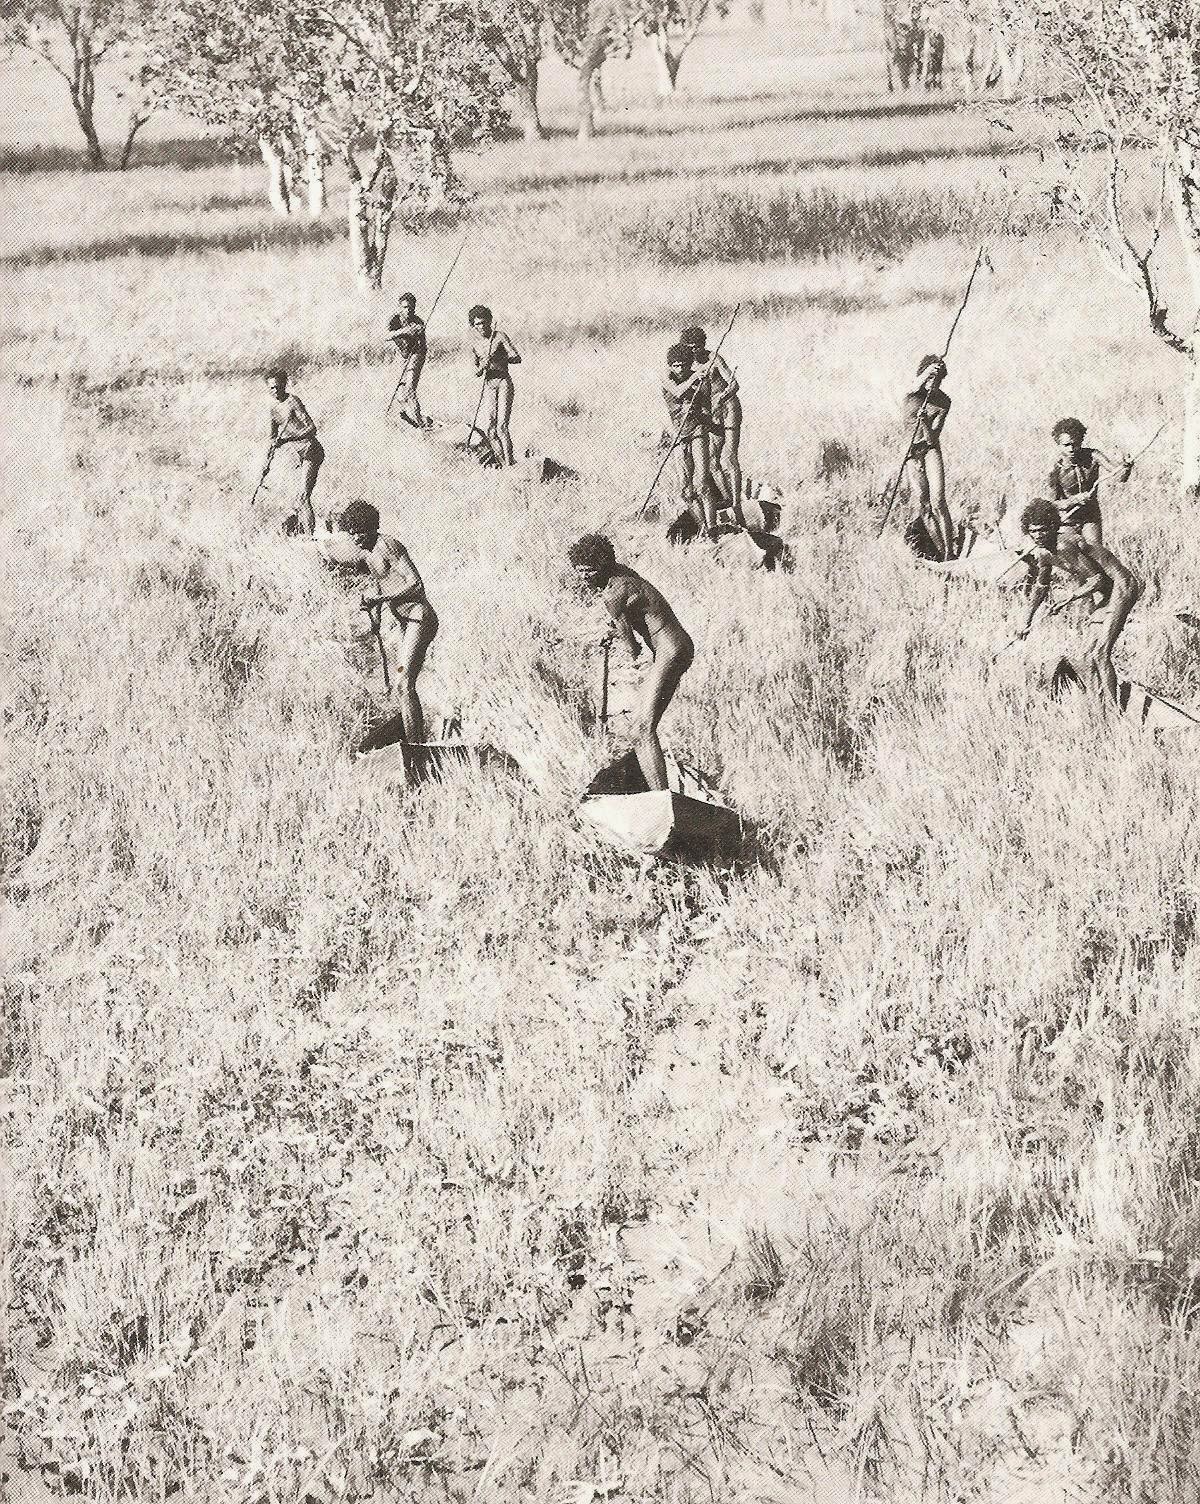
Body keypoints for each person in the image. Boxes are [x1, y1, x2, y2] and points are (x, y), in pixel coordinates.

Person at [568, 533, 694, 793]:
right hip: (678, 646)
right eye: (580, 572)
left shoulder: (612, 595)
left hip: (669, 652)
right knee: (643, 726)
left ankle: (661, 799)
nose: (584, 578)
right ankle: (661, 793)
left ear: (601, 565)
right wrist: (619, 625)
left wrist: (614, 632)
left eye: (589, 571)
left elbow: (632, 649)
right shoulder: (622, 573)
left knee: (641, 729)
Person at [1012, 497, 1141, 705]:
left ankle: (1114, 710)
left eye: (1042, 530)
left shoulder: (1065, 544)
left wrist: (1069, 598)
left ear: (1053, 526)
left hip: (1123, 585)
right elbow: (1040, 588)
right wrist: (1025, 621)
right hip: (1109, 593)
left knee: (1100, 653)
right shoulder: (1044, 553)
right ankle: (1099, 706)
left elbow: (1097, 579)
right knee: (1088, 655)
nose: (1038, 535)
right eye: (1033, 531)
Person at [330, 500, 438, 744]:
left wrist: (380, 599)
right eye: (351, 533)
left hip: (419, 618)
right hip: (406, 623)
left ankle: (416, 746)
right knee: (401, 680)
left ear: (371, 528)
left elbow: (416, 584)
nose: (355, 538)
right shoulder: (366, 552)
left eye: (359, 532)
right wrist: (375, 614)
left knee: (404, 683)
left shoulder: (388, 545)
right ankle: (414, 739)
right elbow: (381, 583)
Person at [681, 324, 746, 528]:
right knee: (712, 460)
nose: (694, 351)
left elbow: (734, 384)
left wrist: (722, 397)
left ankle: (737, 505)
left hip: (728, 406)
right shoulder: (688, 367)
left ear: (703, 344)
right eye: (690, 348)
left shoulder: (714, 358)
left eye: (697, 346)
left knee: (730, 457)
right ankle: (727, 499)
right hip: (712, 413)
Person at [1047, 416, 1133, 547]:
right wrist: (1074, 500)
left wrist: (1126, 466)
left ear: (1081, 441)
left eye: (1075, 444)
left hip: (1090, 515)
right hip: (1068, 518)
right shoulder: (1055, 468)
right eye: (1066, 445)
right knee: (1070, 553)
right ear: (1058, 444)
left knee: (1095, 551)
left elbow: (1120, 478)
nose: (1071, 449)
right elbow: (1052, 504)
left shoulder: (1093, 456)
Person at [662, 343, 721, 533]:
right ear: (670, 365)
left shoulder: (701, 380)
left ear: (689, 364)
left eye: (683, 365)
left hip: (697, 432)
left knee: (702, 484)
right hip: (679, 435)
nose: (680, 369)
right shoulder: (666, 377)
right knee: (686, 491)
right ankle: (702, 528)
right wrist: (694, 378)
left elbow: (707, 410)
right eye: (676, 366)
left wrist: (697, 412)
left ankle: (712, 528)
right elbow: (677, 392)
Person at [901, 355, 952, 561]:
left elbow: (932, 438)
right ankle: (938, 550)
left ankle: (949, 553)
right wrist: (929, 370)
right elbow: (915, 385)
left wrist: (923, 422)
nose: (934, 383)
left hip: (930, 449)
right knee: (924, 504)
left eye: (938, 379)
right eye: (931, 378)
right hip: (911, 453)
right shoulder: (911, 395)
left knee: (938, 500)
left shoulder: (944, 402)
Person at [264, 370, 324, 535]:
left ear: (284, 385)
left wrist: (287, 439)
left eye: (278, 387)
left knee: (303, 497)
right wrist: (266, 465)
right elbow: (272, 439)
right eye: (271, 388)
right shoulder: (273, 410)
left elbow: (312, 428)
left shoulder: (293, 402)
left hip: (311, 451)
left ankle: (310, 538)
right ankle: (299, 530)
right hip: (297, 455)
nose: (275, 391)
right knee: (297, 499)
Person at [469, 305, 520, 466]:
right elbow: (476, 372)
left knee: (502, 427)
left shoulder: (499, 336)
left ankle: (510, 464)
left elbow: (517, 357)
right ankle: (503, 462)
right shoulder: (475, 345)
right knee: (491, 429)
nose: (481, 327)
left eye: (484, 322)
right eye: (477, 324)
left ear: (490, 321)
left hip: (503, 382)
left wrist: (497, 359)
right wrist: (483, 366)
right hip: (489, 385)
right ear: (473, 326)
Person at [386, 293, 428, 429]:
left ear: (414, 308)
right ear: (399, 307)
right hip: (401, 354)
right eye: (405, 307)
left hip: (416, 354)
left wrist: (416, 333)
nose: (408, 310)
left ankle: (420, 424)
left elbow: (422, 343)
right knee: (400, 394)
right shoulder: (394, 320)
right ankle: (410, 416)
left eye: (411, 308)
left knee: (410, 390)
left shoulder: (418, 322)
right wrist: (404, 331)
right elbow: (386, 336)